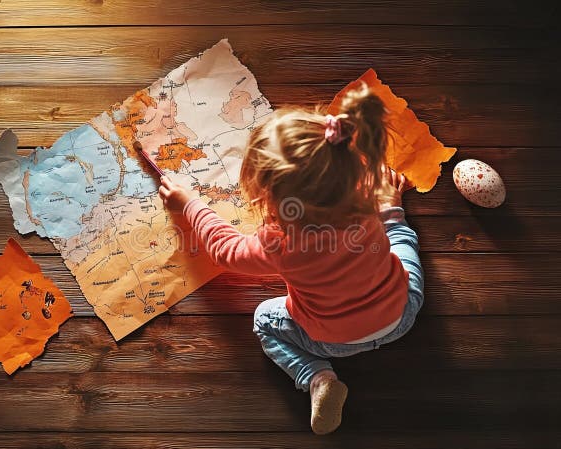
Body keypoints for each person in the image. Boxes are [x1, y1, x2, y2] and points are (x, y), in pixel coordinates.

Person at [157, 84, 424, 435]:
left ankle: (316, 376)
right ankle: (396, 212)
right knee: (399, 239)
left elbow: (225, 250)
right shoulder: (365, 195)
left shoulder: (279, 243)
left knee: (264, 320)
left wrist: (188, 204)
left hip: (334, 342)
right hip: (404, 312)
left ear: (271, 200)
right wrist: (388, 203)